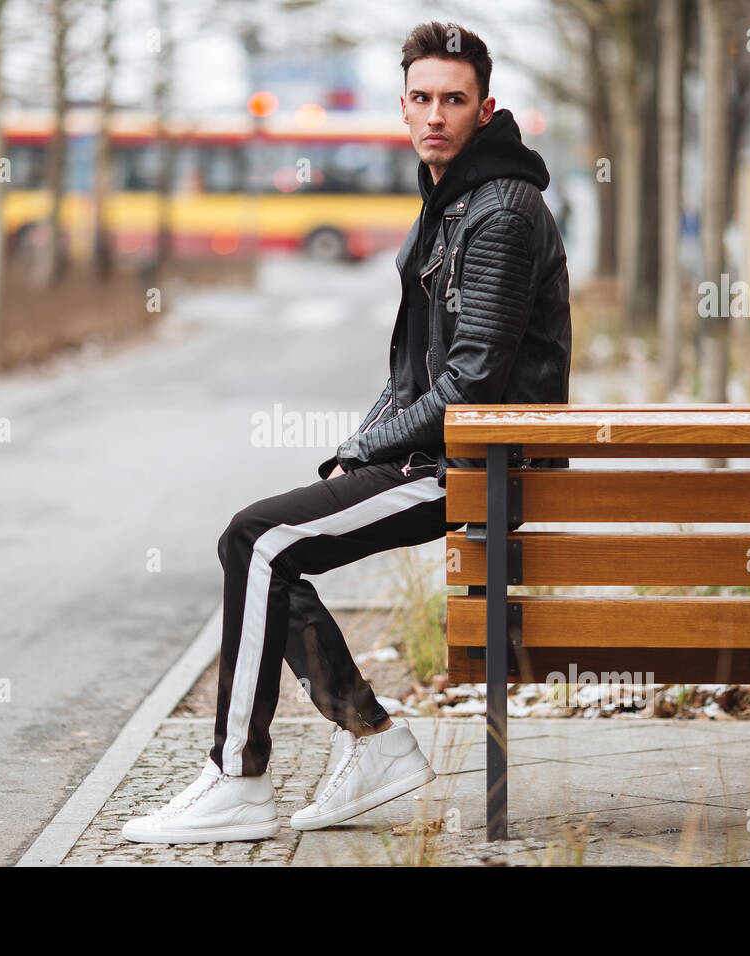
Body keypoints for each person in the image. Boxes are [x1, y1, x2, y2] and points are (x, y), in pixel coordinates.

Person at [122, 20, 572, 844]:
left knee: (257, 540)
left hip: (479, 465)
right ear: (403, 106)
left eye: (455, 100)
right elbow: (413, 375)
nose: (436, 114)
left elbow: (470, 382)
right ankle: (368, 739)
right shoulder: (453, 200)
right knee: (261, 542)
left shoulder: (500, 211)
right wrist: (353, 452)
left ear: (485, 108)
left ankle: (242, 777)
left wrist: (371, 450)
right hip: (451, 455)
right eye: (423, 98)